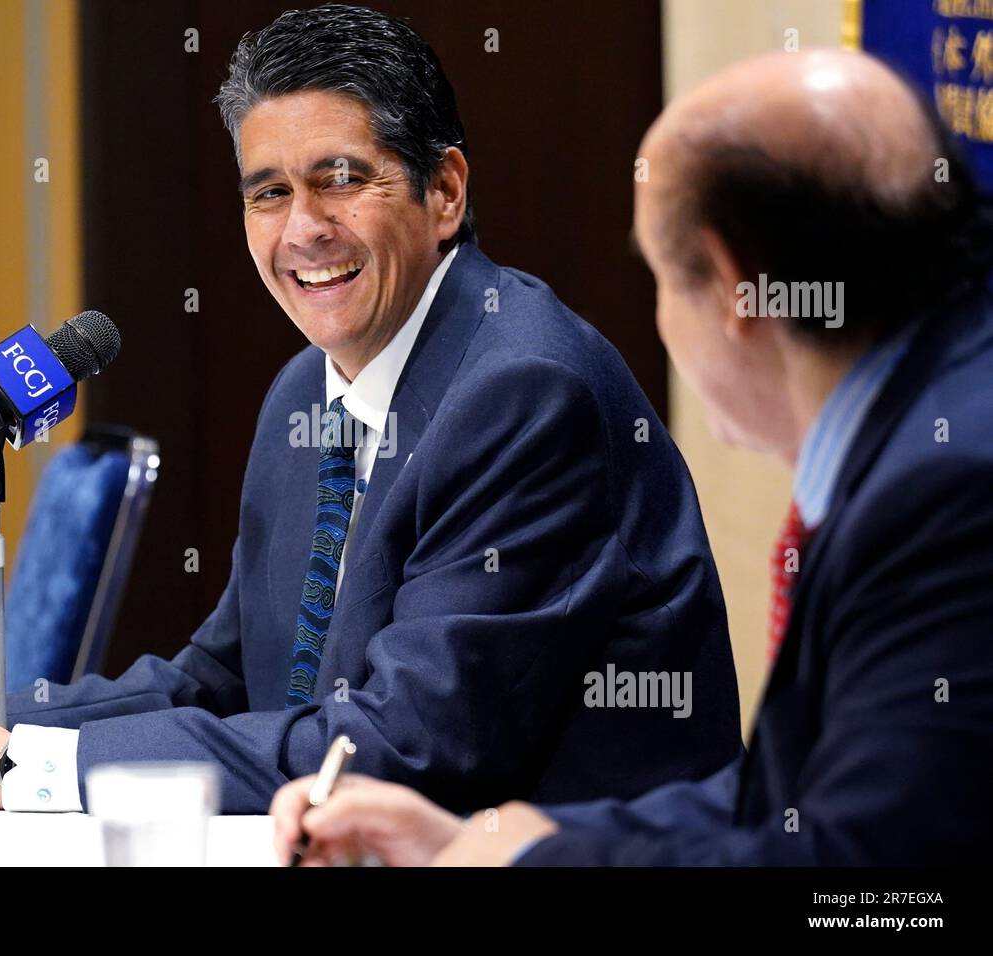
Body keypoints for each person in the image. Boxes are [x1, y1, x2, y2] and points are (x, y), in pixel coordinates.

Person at [0, 4, 737, 815]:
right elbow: (223, 679)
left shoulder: (524, 393)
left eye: (339, 178)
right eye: (269, 193)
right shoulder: (307, 392)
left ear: (444, 191)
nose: (302, 230)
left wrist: (26, 765)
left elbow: (404, 749)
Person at [269, 47, 993, 865]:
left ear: (731, 290)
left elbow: (875, 886)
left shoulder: (945, 494)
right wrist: (493, 841)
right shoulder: (935, 418)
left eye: (653, 274)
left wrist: (529, 865)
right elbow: (806, 798)